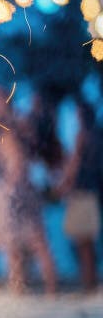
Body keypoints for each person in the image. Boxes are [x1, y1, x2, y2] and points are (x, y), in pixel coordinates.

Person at [0, 88, 56, 296]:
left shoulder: (17, 122)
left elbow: (26, 153)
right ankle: (18, 289)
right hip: (9, 190)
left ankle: (51, 291)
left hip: (22, 190)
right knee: (12, 244)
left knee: (37, 241)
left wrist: (14, 182)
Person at [56, 103, 100, 292]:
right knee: (88, 243)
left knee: (82, 244)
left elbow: (74, 165)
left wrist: (63, 187)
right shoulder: (96, 136)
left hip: (80, 194)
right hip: (92, 193)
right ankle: (91, 282)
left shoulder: (82, 137)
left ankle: (89, 284)